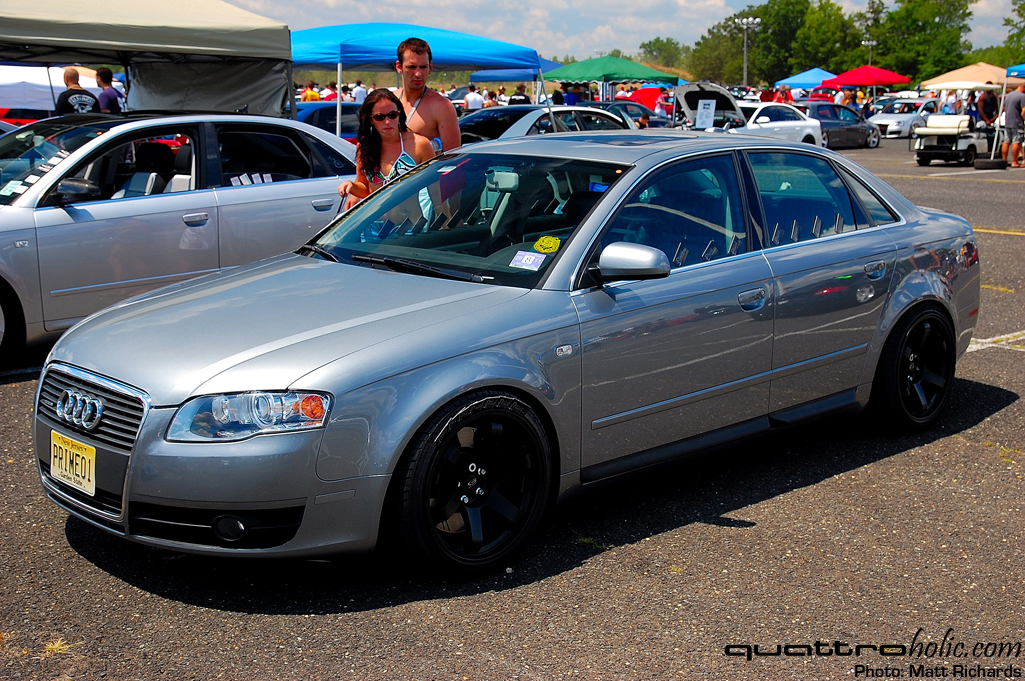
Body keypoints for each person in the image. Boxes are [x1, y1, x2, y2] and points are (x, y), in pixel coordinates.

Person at [338, 89, 435, 201]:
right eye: (380, 117)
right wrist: (351, 186)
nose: (387, 122)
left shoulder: (419, 145)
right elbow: (366, 188)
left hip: (413, 217)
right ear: (371, 120)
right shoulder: (365, 147)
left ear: (399, 115)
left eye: (392, 115)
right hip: (377, 217)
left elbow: (434, 189)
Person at [394, 38, 460, 152]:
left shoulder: (442, 107)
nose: (418, 74)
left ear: (431, 67)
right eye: (411, 67)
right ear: (399, 67)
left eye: (423, 67)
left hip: (426, 169)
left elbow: (453, 159)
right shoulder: (389, 100)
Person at [1002, 83, 1025, 168]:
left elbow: (1004, 108)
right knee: (1016, 141)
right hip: (1017, 122)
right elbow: (1023, 111)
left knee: (1006, 141)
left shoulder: (1008, 95)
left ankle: (1004, 160)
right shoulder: (1022, 96)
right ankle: (1014, 161)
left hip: (1007, 121)